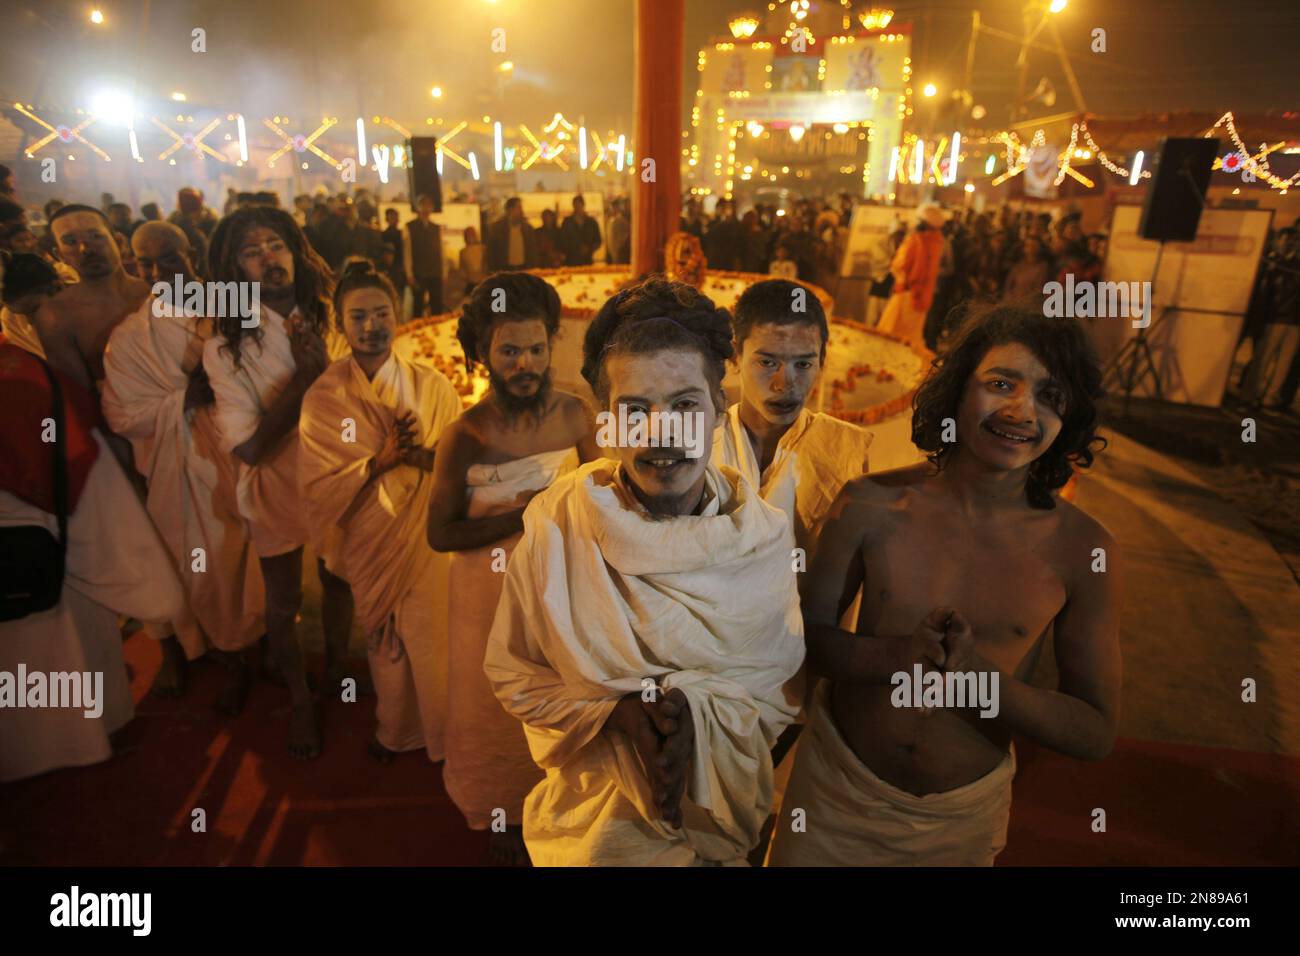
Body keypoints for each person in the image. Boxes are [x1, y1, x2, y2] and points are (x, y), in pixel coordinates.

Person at [768, 305, 1121, 866]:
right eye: (1000, 384)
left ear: (1069, 417)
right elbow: (801, 642)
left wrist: (978, 679)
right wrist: (898, 657)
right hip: (834, 795)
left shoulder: (1083, 549)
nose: (1022, 410)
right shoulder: (869, 504)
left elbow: (1094, 731)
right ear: (957, 388)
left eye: (1051, 396)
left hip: (959, 821)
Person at [483, 277, 804, 866]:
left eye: (685, 405)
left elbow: (779, 691)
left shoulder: (761, 538)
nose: (663, 434)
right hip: (592, 833)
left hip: (717, 833)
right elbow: (514, 673)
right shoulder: (560, 524)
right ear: (605, 420)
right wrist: (617, 714)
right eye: (635, 410)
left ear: (719, 409)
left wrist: (700, 726)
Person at [427, 271, 598, 865]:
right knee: (491, 703)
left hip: (559, 585)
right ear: (483, 353)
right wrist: (522, 515)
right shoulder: (466, 435)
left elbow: (601, 495)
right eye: (509, 352)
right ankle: (499, 807)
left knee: (558, 692)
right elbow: (440, 533)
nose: (525, 364)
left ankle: (554, 800)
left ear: (551, 345)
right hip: (485, 594)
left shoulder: (577, 415)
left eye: (536, 349)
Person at [202, 205, 354, 759]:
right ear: (233, 270)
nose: (268, 257)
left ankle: (336, 672)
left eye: (276, 244)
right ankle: (300, 702)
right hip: (273, 482)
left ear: (295, 251)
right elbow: (248, 446)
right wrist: (305, 381)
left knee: (339, 579)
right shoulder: (225, 346)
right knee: (283, 600)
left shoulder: (333, 316)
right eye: (251, 251)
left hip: (336, 475)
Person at [299, 259, 463, 764]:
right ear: (340, 324)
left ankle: (442, 736)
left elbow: (457, 464)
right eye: (358, 317)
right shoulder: (325, 397)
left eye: (382, 313)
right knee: (383, 637)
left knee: (430, 635)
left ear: (397, 314)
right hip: (368, 534)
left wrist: (419, 457)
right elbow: (318, 484)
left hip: (423, 533)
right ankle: (395, 729)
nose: (372, 326)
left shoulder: (431, 385)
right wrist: (380, 461)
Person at [0, 340, 183, 781]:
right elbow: (81, 450)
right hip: (54, 536)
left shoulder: (24, 372)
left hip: (41, 533)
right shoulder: (28, 370)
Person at [100, 222, 265, 704]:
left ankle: (265, 644)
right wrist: (185, 399)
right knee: (207, 563)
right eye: (145, 263)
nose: (158, 272)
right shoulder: (131, 337)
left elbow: (268, 371)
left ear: (192, 253)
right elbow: (120, 415)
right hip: (183, 465)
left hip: (245, 452)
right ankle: (229, 653)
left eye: (169, 258)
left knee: (257, 555)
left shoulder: (232, 307)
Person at [713, 278, 873, 554]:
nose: (784, 384)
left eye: (803, 364)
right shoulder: (704, 442)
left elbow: (846, 561)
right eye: (767, 362)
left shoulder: (843, 449)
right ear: (735, 356)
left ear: (822, 361)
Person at [31, 205, 152, 394]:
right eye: (71, 242)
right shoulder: (56, 317)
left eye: (96, 236)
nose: (85, 249)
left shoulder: (154, 290)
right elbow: (79, 398)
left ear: (119, 242)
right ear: (59, 255)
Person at [878, 204, 945, 346]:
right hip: (923, 299)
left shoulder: (915, 241)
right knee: (912, 339)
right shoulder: (938, 242)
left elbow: (899, 266)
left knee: (890, 336)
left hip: (907, 295)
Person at [1, 253, 63, 357]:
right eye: (22, 314)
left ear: (57, 288)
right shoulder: (10, 318)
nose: (30, 322)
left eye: (34, 309)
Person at [404, 195, 443, 316]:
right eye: (423, 205)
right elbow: (407, 251)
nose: (426, 209)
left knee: (436, 305)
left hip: (435, 271)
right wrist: (409, 273)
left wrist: (444, 270)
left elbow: (441, 251)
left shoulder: (436, 228)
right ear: (417, 208)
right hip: (418, 272)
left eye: (429, 206)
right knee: (418, 305)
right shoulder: (410, 227)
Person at [487, 197, 538, 272]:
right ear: (510, 210)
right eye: (519, 207)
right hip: (505, 270)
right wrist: (493, 270)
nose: (522, 211)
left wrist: (533, 267)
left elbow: (533, 251)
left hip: (524, 269)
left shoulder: (527, 229)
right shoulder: (497, 229)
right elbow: (492, 252)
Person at [1002, 236, 1051, 306]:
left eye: (1034, 246)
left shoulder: (1043, 267)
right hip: (1015, 304)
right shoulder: (1018, 267)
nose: (1031, 249)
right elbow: (1008, 287)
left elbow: (1042, 289)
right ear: (1024, 248)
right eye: (1028, 245)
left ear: (1039, 248)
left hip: (1032, 306)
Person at [559, 195, 600, 266]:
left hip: (587, 259)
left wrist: (589, 249)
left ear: (583, 205)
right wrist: (570, 250)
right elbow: (562, 239)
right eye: (575, 204)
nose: (577, 206)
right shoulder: (567, 222)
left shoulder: (592, 222)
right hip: (571, 258)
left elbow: (598, 240)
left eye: (579, 204)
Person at [704, 198, 744, 271]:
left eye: (729, 207)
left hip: (730, 260)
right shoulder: (714, 224)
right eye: (724, 207)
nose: (726, 210)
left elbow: (739, 243)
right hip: (716, 259)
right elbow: (710, 240)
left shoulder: (737, 225)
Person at [458, 226, 487, 294]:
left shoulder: (483, 249)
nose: (470, 237)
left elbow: (485, 265)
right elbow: (462, 269)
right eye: (468, 235)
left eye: (471, 235)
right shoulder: (463, 252)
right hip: (471, 283)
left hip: (481, 282)